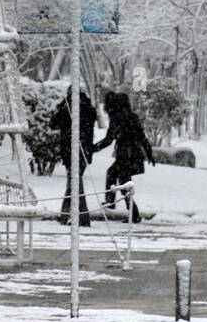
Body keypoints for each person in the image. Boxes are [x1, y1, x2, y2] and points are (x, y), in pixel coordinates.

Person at [93, 91, 154, 224]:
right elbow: (142, 137)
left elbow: (109, 139)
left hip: (125, 155)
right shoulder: (132, 117)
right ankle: (114, 204)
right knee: (118, 178)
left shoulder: (117, 118)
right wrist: (149, 154)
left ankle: (129, 211)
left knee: (122, 182)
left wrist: (93, 149)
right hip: (134, 155)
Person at [51, 88, 99, 226]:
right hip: (85, 149)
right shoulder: (89, 108)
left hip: (71, 149)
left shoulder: (68, 108)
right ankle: (65, 214)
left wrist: (56, 110)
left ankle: (82, 216)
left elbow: (54, 124)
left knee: (74, 182)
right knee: (73, 182)